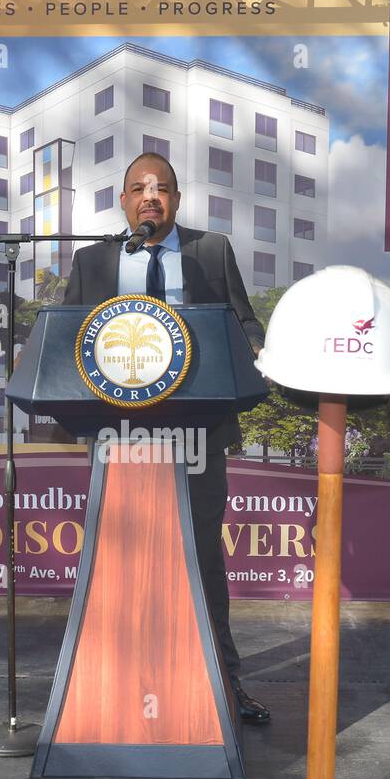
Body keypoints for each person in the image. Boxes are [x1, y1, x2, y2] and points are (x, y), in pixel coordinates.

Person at [63, 151, 270, 725]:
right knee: (122, 559)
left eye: (162, 188)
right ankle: (117, 687)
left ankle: (225, 689)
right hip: (118, 434)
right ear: (123, 201)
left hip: (197, 429)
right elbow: (66, 340)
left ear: (176, 199)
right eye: (139, 188)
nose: (150, 196)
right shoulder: (93, 262)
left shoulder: (210, 250)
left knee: (202, 556)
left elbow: (242, 319)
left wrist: (253, 346)